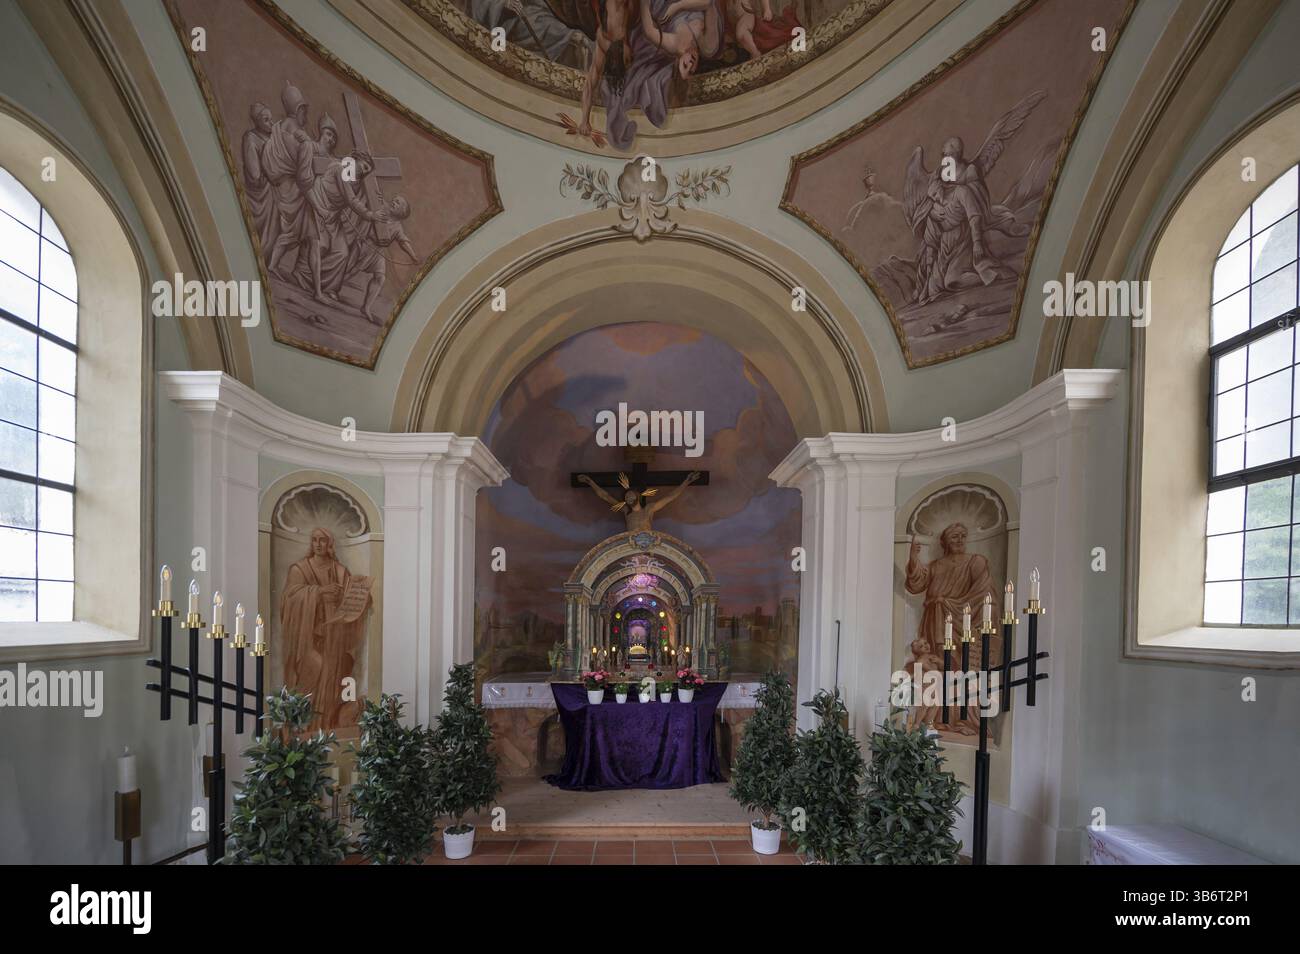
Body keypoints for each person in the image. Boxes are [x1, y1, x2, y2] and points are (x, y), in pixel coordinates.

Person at [280, 528, 371, 732]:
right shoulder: (300, 569)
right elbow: (289, 599)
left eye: (322, 540)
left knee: (333, 682)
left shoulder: (339, 570)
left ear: (330, 544)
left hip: (335, 640)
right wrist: (319, 592)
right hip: (310, 640)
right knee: (314, 671)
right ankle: (305, 728)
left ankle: (329, 727)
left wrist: (362, 597)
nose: (318, 544)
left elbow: (353, 600)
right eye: (314, 540)